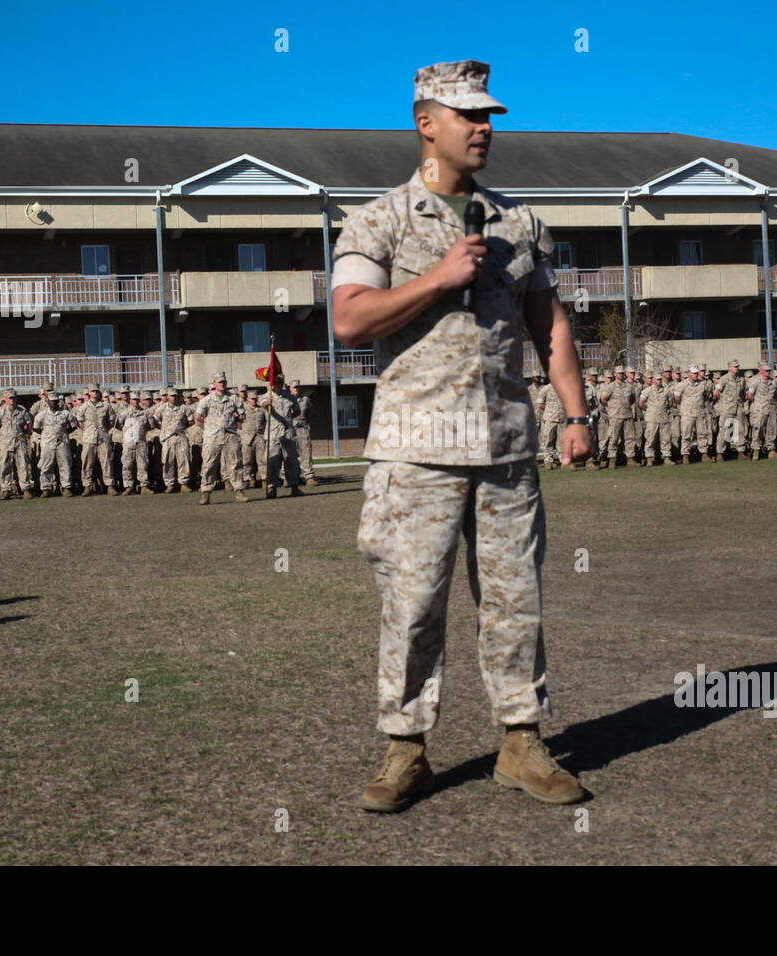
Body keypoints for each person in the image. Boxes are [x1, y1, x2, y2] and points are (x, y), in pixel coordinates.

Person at [331, 59, 588, 813]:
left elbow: (551, 325)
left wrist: (575, 414)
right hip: (415, 449)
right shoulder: (376, 220)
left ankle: (520, 741)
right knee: (413, 605)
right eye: (467, 115)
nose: (483, 128)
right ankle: (405, 749)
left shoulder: (519, 222)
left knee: (516, 603)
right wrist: (438, 279)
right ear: (425, 123)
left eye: (489, 117)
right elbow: (349, 319)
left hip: (506, 448)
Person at [195, 372, 249, 504]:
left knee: (235, 463)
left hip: (230, 435)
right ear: (214, 384)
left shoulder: (234, 398)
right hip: (212, 437)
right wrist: (209, 427)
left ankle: (239, 491)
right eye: (219, 382)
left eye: (223, 381)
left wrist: (233, 422)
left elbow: (242, 415)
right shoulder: (206, 400)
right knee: (209, 464)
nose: (222, 384)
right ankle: (206, 493)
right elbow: (198, 417)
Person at [260, 382, 304, 499]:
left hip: (287, 432)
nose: (277, 386)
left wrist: (287, 420)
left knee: (291, 460)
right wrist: (267, 404)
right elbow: (263, 404)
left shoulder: (290, 397)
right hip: (273, 433)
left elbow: (297, 411)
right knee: (273, 462)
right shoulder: (267, 396)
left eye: (279, 384)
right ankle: (272, 488)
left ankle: (294, 486)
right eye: (275, 384)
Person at [0, 388, 34, 499]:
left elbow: (29, 424)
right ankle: (6, 489)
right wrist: (4, 435)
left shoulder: (22, 410)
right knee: (5, 466)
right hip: (5, 443)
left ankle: (25, 489)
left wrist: (24, 433)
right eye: (10, 398)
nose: (12, 400)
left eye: (14, 397)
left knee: (23, 465)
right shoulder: (1, 411)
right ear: (5, 399)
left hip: (20, 441)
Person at [75, 383, 116, 495]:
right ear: (89, 392)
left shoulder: (106, 406)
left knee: (107, 462)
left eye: (96, 391)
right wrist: (88, 431)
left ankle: (110, 486)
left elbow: (111, 421)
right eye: (93, 391)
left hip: (103, 438)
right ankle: (87, 486)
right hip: (89, 438)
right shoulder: (83, 407)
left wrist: (103, 431)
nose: (95, 393)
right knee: (87, 463)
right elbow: (80, 422)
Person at [33, 393, 76, 496]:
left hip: (62, 443)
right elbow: (36, 427)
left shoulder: (66, 413)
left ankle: (66, 487)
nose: (54, 403)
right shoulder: (42, 415)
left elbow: (73, 425)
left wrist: (64, 433)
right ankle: (46, 488)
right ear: (48, 401)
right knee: (46, 466)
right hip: (47, 444)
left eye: (56, 401)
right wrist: (47, 435)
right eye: (52, 401)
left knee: (65, 465)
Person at [117, 391, 156, 495]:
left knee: (142, 465)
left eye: (137, 399)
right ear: (130, 400)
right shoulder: (124, 413)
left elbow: (152, 425)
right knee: (127, 465)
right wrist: (127, 432)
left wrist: (141, 431)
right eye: (134, 399)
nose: (135, 401)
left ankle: (144, 486)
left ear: (140, 400)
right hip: (128, 443)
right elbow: (118, 425)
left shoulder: (146, 412)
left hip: (141, 443)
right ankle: (128, 486)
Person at [156, 388, 194, 492]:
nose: (174, 397)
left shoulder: (184, 408)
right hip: (168, 438)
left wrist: (181, 428)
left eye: (175, 395)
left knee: (183, 460)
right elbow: (155, 421)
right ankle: (170, 484)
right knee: (168, 461)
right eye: (171, 395)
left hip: (181, 437)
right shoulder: (161, 409)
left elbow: (191, 421)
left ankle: (184, 483)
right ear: (167, 396)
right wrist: (165, 429)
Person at [288, 380, 318, 486]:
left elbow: (311, 412)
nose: (296, 389)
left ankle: (309, 476)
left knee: (306, 453)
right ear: (290, 389)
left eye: (298, 387)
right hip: (290, 430)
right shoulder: (286, 400)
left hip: (302, 429)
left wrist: (304, 422)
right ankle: (293, 477)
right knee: (290, 455)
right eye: (294, 387)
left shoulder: (305, 400)